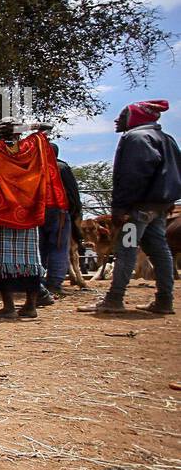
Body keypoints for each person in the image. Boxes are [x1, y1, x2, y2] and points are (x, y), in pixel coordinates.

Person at [80, 99, 180, 315]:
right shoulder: (166, 138)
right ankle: (165, 301)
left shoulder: (136, 138)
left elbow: (133, 177)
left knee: (126, 250)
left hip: (136, 212)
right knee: (160, 251)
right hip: (157, 209)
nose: (117, 120)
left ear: (136, 118)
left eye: (123, 115)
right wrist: (168, 201)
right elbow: (175, 173)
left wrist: (120, 209)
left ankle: (114, 299)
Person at [37, 144, 80, 302]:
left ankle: (38, 283)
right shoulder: (62, 167)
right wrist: (75, 211)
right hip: (59, 211)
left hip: (38, 211)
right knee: (59, 246)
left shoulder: (34, 166)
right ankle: (54, 284)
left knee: (39, 247)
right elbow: (73, 192)